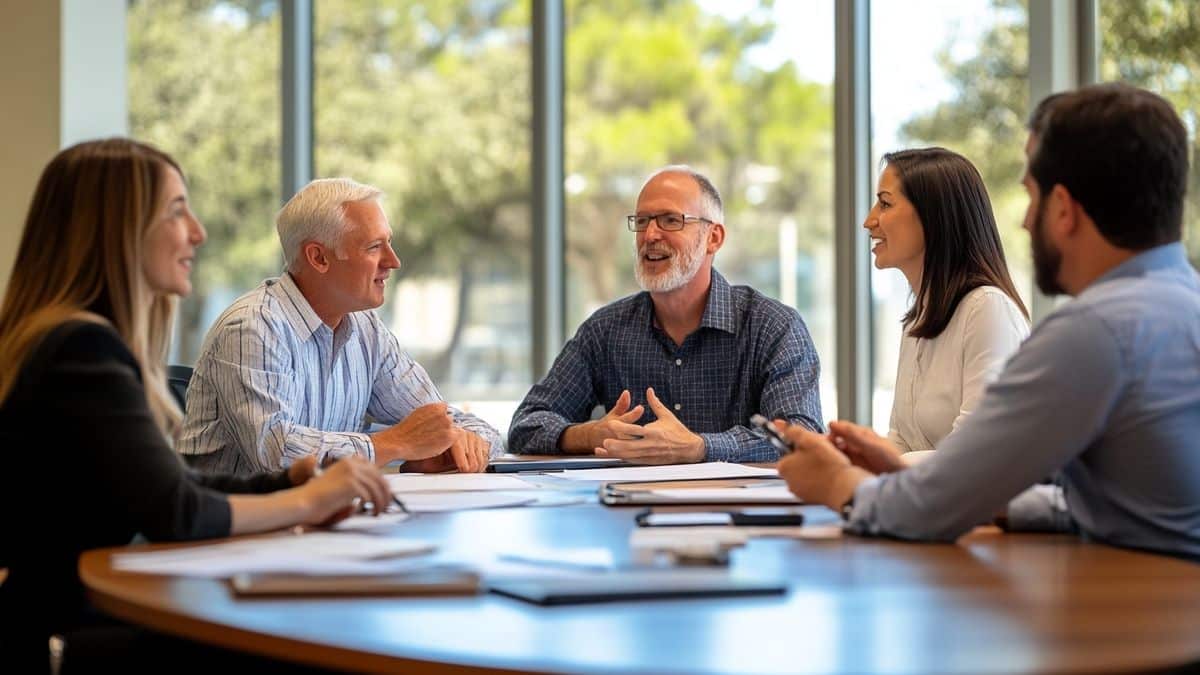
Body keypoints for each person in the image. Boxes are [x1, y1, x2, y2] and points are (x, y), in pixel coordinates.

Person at [0, 139, 392, 668]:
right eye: (176, 210)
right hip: (65, 635)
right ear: (118, 230)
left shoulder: (67, 339)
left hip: (75, 617)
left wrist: (288, 484)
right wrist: (309, 502)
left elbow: (168, 486)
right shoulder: (80, 349)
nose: (198, 232)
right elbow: (177, 513)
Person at [777, 83, 1200, 560]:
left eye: (1032, 196)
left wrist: (836, 482)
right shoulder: (1179, 306)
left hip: (1152, 598)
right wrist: (949, 486)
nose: (1025, 221)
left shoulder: (1094, 332)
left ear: (1063, 209)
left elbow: (925, 510)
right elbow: (1124, 505)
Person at [178, 178, 501, 476]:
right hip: (238, 518)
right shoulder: (252, 327)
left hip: (323, 513)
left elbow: (440, 420)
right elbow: (275, 453)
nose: (393, 261)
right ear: (319, 258)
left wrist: (464, 444)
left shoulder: (367, 330)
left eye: (388, 243)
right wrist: (394, 444)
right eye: (374, 247)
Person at [508, 165, 823, 464]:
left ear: (713, 238)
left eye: (671, 220)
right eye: (642, 221)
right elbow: (526, 425)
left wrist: (700, 447)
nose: (650, 235)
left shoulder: (772, 327)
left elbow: (802, 436)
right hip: (628, 502)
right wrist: (589, 434)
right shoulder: (605, 330)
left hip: (734, 503)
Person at [867, 148, 1029, 457]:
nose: (869, 221)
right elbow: (903, 441)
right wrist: (843, 456)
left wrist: (870, 467)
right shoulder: (917, 320)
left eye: (885, 203)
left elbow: (977, 451)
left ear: (933, 217)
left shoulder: (987, 309)